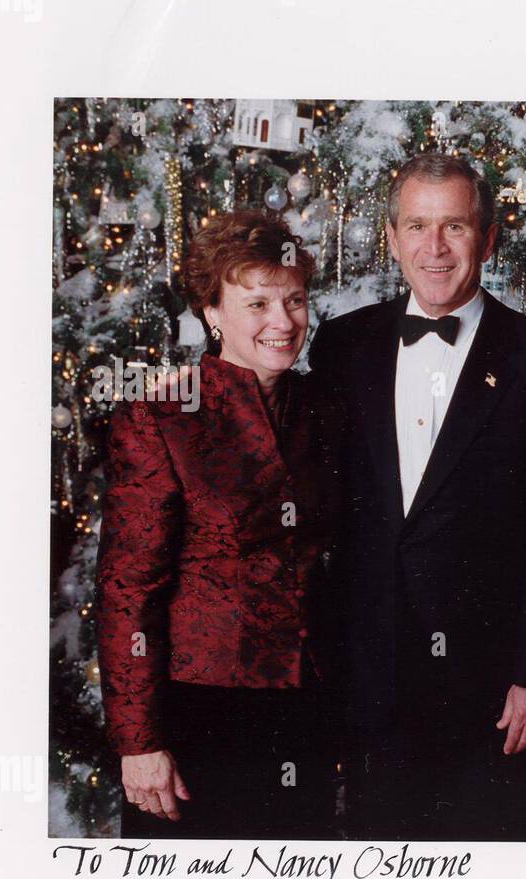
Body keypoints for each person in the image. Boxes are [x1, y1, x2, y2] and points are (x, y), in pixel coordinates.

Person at [307, 154, 526, 842]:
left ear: (489, 237)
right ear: (393, 235)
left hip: (493, 697)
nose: (434, 248)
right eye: (417, 226)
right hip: (370, 684)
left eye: (455, 227)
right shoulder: (345, 346)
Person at [97, 209, 342, 839]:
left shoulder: (326, 410)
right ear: (212, 311)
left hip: (308, 711)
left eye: (293, 300)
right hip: (197, 718)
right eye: (256, 303)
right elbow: (129, 591)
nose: (282, 323)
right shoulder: (162, 417)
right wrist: (138, 742)